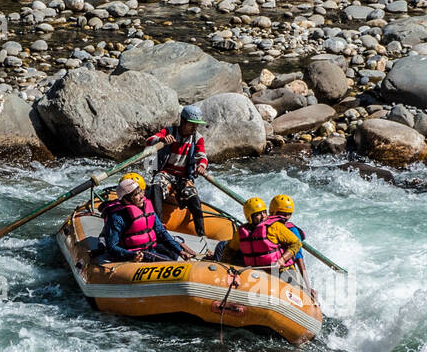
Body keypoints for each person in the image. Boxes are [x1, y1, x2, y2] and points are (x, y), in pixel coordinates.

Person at [98, 174, 195, 263]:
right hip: (136, 252)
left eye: (140, 192)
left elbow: (161, 232)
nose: (141, 196)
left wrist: (179, 251)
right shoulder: (117, 218)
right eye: (136, 195)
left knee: (173, 253)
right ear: (125, 200)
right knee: (167, 261)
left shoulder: (147, 207)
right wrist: (131, 255)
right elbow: (112, 246)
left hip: (151, 247)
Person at [146, 104, 209, 238]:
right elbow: (149, 141)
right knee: (156, 185)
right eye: (192, 124)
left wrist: (202, 166)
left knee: (194, 198)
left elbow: (202, 156)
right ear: (183, 122)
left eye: (197, 125)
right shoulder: (169, 131)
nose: (195, 127)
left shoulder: (197, 138)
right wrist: (161, 139)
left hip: (184, 177)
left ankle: (201, 234)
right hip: (165, 173)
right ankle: (157, 224)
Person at [217, 196, 302, 270]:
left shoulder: (275, 226)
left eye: (264, 212)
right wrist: (223, 267)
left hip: (279, 269)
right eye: (258, 214)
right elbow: (230, 250)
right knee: (222, 245)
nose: (263, 216)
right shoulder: (241, 232)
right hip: (255, 270)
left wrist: (282, 259)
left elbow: (296, 243)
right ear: (250, 217)